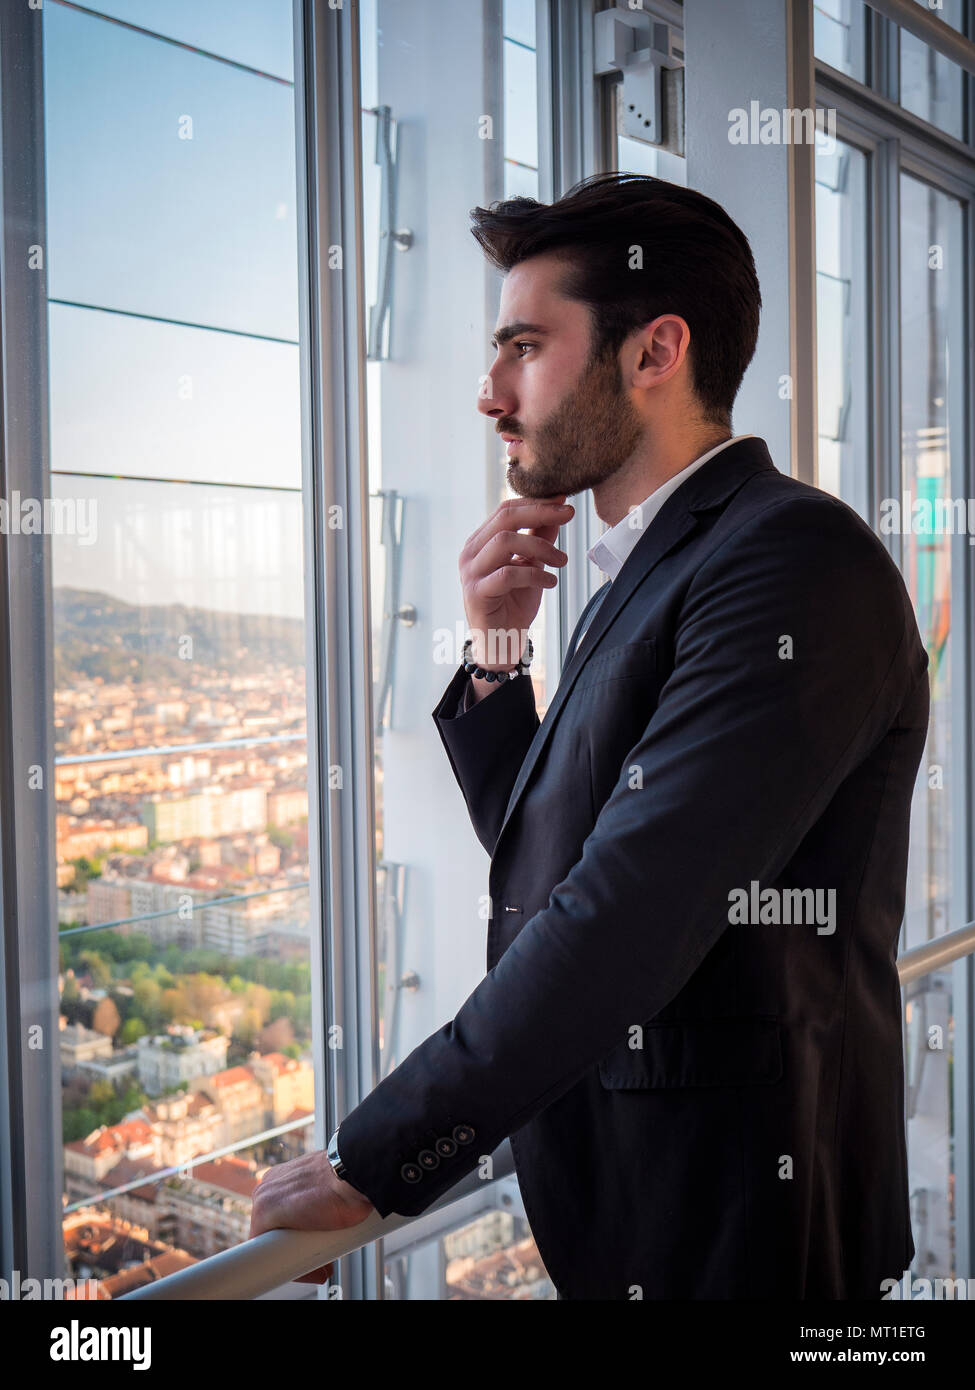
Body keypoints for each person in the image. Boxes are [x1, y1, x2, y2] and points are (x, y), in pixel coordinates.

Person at [250, 173, 929, 1299]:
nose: (487, 393)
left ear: (654, 352)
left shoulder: (790, 561)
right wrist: (496, 651)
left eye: (523, 346)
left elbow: (630, 906)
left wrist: (379, 1158)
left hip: (749, 1231)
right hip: (652, 1215)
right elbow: (559, 850)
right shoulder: (658, 569)